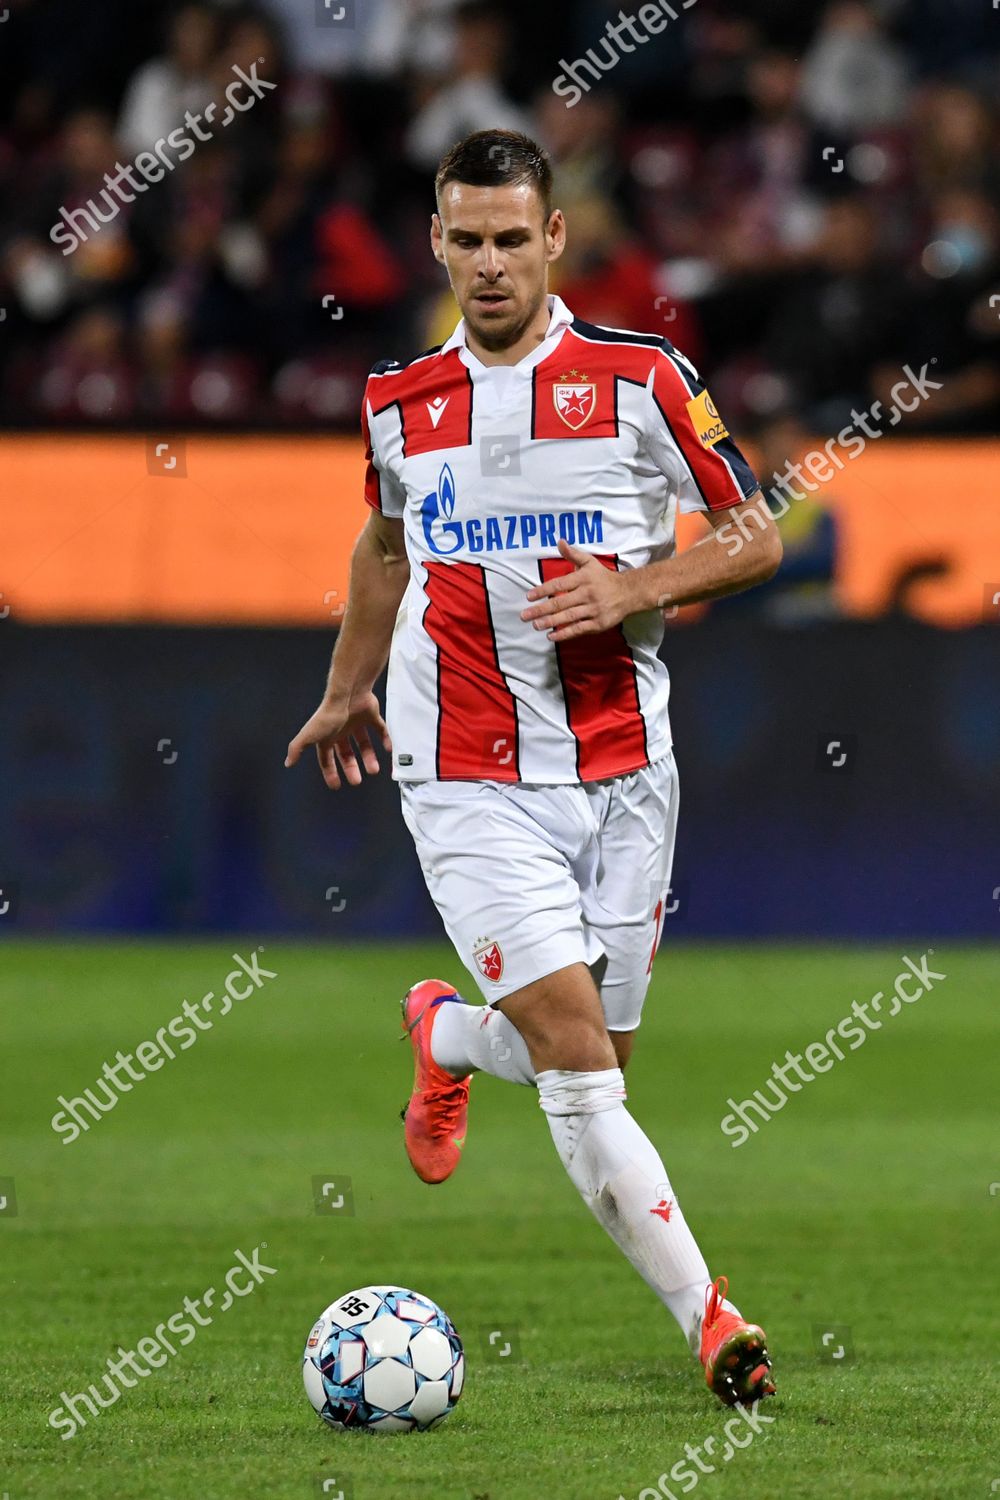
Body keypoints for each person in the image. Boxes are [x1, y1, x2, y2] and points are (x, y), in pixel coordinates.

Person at [285, 129, 782, 1408]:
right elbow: (385, 547)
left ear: (556, 238)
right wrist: (348, 687)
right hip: (460, 767)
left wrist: (637, 584)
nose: (491, 264)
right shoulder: (401, 400)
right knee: (575, 1061)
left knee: (601, 1054)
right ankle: (710, 1318)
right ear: (437, 243)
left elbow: (753, 534)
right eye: (467, 240)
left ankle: (445, 1034)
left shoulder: (642, 380)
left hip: (621, 767)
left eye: (515, 238)